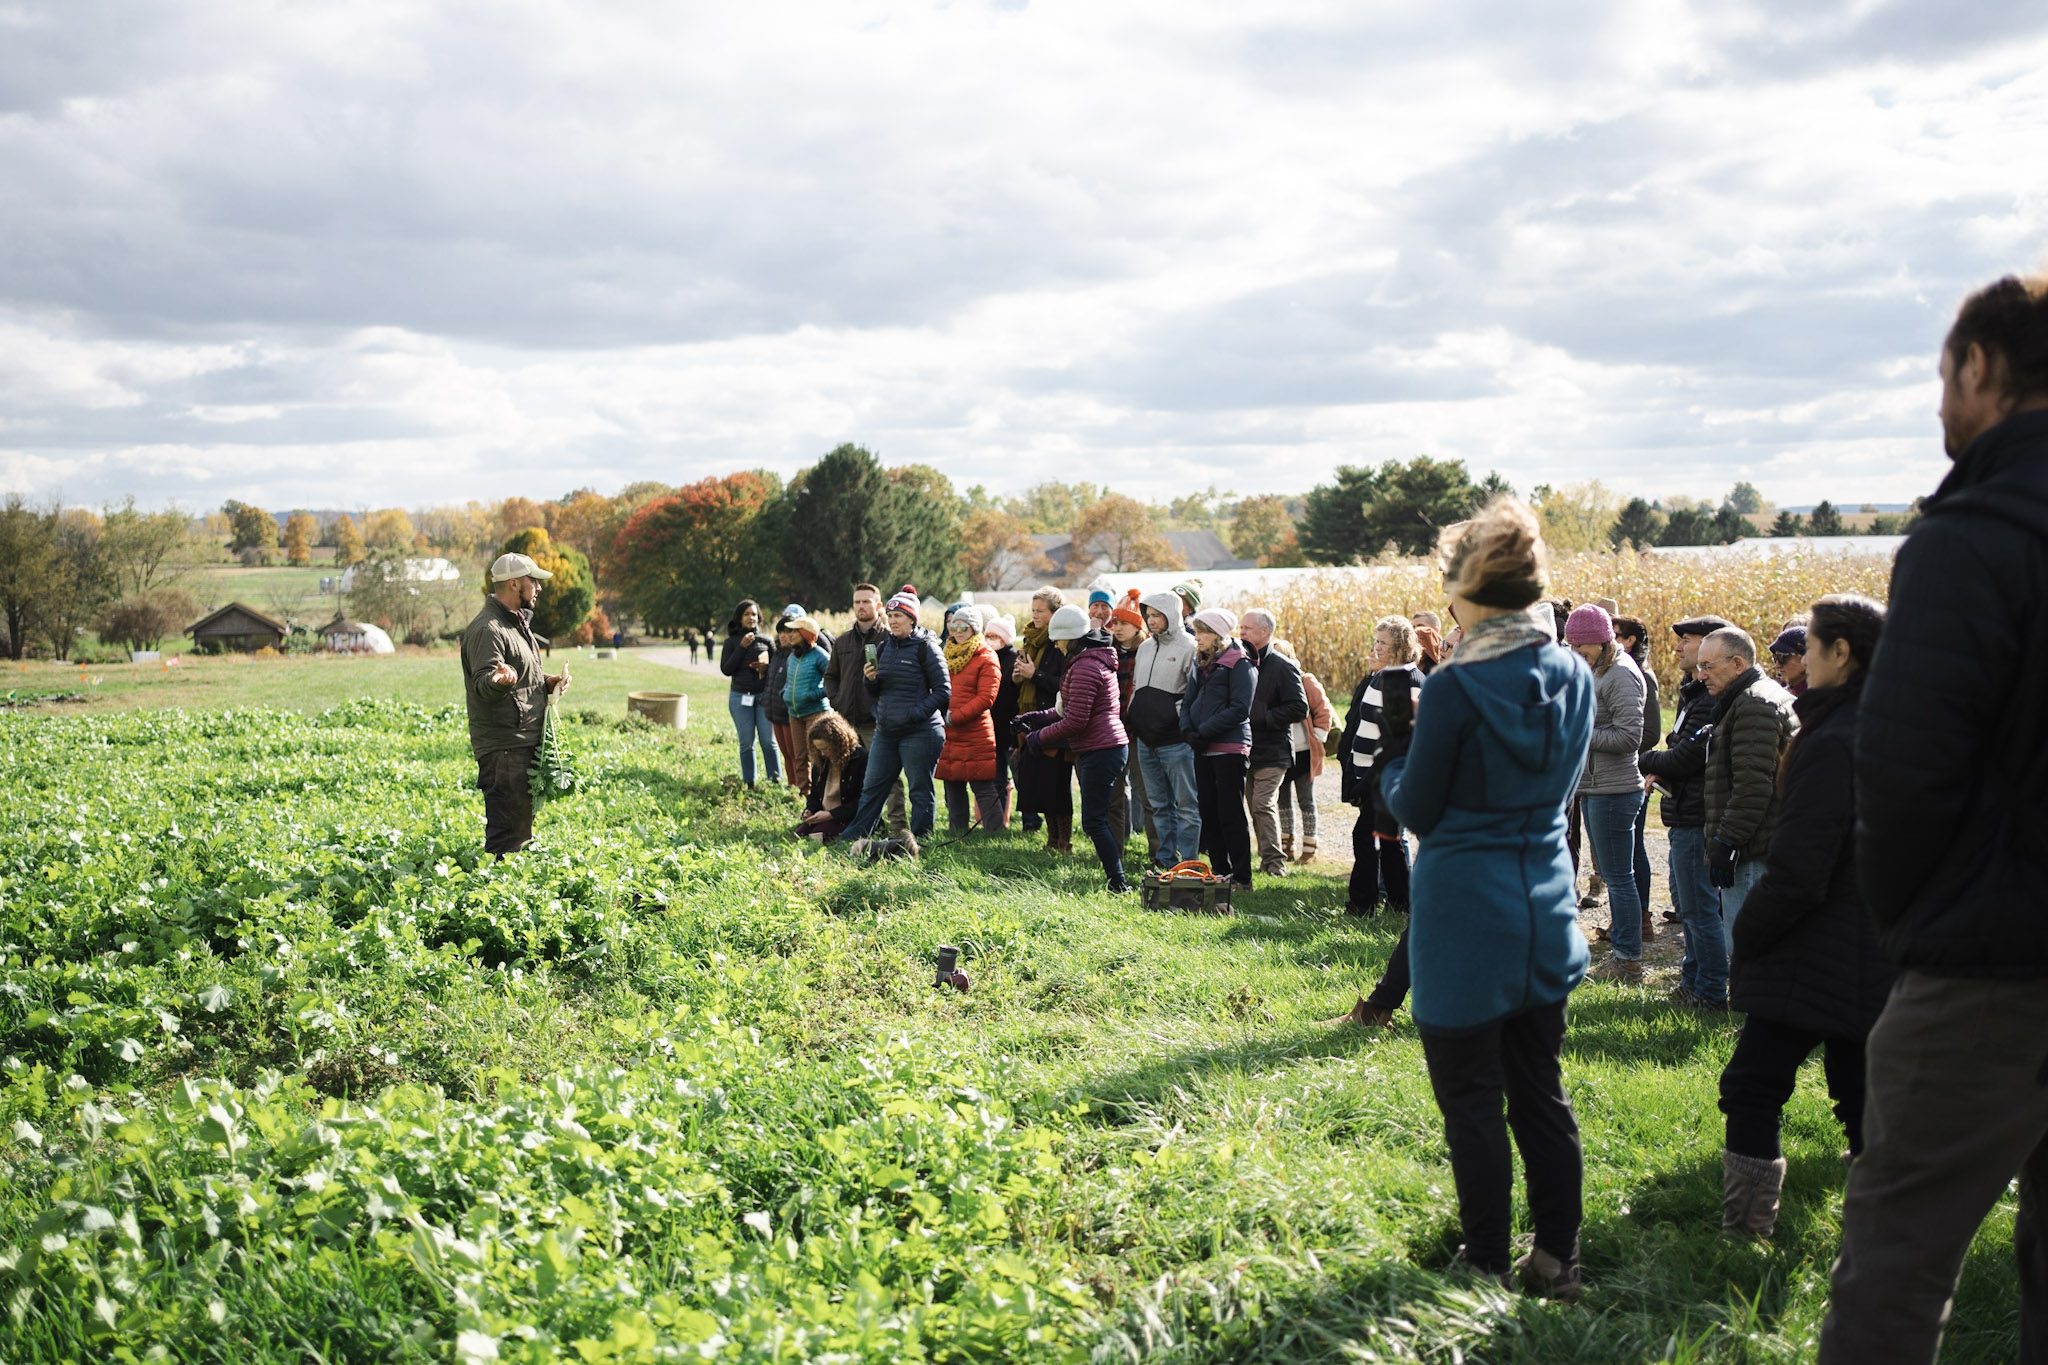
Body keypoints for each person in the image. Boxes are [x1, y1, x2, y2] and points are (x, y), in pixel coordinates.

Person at [1820, 275, 2048, 1365]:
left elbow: (1903, 766)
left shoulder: (1970, 536)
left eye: (1939, 375)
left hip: (1989, 962)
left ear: (1979, 368)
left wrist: (1913, 926)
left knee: (1897, 1254)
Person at [1379, 498, 1593, 1301]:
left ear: (1466, 592)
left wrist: (1395, 758)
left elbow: (1418, 808)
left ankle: (1485, 1259)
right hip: (1544, 900)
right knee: (1540, 1087)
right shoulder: (1571, 668)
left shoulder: (1460, 688)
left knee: (1471, 1097)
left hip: (1467, 914)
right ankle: (1559, 1257)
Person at [1717, 595, 1894, 1242]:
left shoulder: (1831, 742)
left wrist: (1750, 934)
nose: (1795, 658)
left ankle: (1744, 1229)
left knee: (1752, 1084)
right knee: (1858, 1085)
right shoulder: (1882, 724)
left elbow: (1799, 871)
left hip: (1811, 941)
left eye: (1810, 645)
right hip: (1865, 944)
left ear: (1841, 651)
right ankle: (1886, 1212)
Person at [1640, 614, 1734, 1010]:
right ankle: (1692, 982)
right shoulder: (1695, 692)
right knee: (1691, 909)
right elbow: (1679, 745)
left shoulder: (1710, 698)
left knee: (1698, 909)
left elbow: (1687, 754)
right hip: (1685, 811)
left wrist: (1646, 758)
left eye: (1687, 640)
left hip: (1698, 815)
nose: (1678, 647)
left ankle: (1709, 991)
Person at [460, 552, 572, 856]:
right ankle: (494, 896)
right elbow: (484, 682)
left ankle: (506, 891)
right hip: (505, 748)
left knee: (519, 830)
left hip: (519, 743)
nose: (539, 587)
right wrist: (500, 682)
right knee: (507, 838)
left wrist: (546, 683)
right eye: (533, 581)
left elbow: (520, 676)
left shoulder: (514, 624)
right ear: (513, 583)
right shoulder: (489, 629)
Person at [1017, 605, 1132, 892]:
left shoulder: (1085, 665)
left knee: (1094, 820)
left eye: (1058, 640)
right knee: (1096, 819)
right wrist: (1036, 719)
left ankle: (1118, 882)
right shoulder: (1083, 660)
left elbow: (1076, 721)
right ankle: (1116, 878)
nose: (1055, 645)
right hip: (1100, 746)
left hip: (1102, 748)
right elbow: (1065, 709)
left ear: (1069, 637)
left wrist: (1039, 738)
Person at [1564, 605, 1650, 982]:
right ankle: (1623, 952)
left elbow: (1630, 736)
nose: (1575, 651)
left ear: (1601, 640)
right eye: (1571, 644)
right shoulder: (1597, 668)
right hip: (1595, 785)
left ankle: (1628, 959)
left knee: (1618, 877)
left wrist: (1578, 732)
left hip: (1615, 789)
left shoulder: (1622, 675)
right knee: (1617, 874)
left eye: (1580, 644)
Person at [1696, 625, 1798, 934]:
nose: (1701, 675)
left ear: (1737, 664)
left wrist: (1727, 842)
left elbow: (1753, 786)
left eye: (1707, 666)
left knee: (1747, 955)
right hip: (1756, 846)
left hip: (1753, 853)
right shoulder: (1748, 698)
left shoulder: (1754, 704)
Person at [837, 585, 949, 847]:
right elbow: (877, 690)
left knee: (919, 789)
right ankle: (853, 837)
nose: (892, 620)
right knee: (872, 787)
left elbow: (943, 692)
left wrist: (914, 714)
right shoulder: (885, 647)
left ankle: (921, 840)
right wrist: (870, 680)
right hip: (886, 731)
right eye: (890, 615)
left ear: (912, 618)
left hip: (920, 732)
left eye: (898, 615)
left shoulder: (927, 648)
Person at [1338, 616, 1426, 917]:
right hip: (1367, 773)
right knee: (1386, 841)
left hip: (1385, 775)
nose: (1376, 647)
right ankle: (1401, 903)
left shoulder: (1407, 681)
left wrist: (1370, 780)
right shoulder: (1381, 675)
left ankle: (1361, 906)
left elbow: (1398, 742)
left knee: (1366, 838)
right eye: (1375, 641)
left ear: (1401, 647)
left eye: (1383, 643)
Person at [825, 584, 907, 839]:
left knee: (888, 776)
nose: (861, 606)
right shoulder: (843, 641)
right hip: (848, 721)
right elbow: (830, 676)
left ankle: (898, 827)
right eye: (857, 602)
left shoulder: (889, 639)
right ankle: (864, 825)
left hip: (878, 722)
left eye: (867, 601)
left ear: (879, 606)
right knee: (854, 777)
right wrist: (837, 699)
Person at [1182, 608, 1257, 887]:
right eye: (1195, 630)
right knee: (1209, 813)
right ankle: (1218, 872)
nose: (1196, 637)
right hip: (1202, 745)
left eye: (1201, 632)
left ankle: (1241, 876)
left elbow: (1240, 708)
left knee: (1230, 813)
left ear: (1217, 635)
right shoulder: (1199, 660)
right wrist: (1188, 730)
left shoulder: (1240, 662)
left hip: (1229, 746)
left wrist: (1203, 731)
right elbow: (1188, 700)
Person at [1129, 590, 1201, 867]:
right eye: (1148, 616)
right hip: (1145, 740)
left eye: (1157, 615)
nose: (1152, 621)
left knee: (1186, 805)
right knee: (1159, 805)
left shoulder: (1190, 647)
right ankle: (1165, 860)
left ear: (1172, 615)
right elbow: (1137, 687)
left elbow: (1194, 694)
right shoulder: (1145, 647)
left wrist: (1175, 717)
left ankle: (1190, 862)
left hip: (1176, 742)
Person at [1240, 607, 1309, 878]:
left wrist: (1264, 716)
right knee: (1252, 806)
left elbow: (1299, 708)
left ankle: (1275, 863)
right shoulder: (1240, 661)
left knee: (1261, 804)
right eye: (1241, 628)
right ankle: (1265, 860)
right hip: (1246, 748)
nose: (1241, 632)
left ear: (1265, 632)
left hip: (1274, 750)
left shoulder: (1284, 666)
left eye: (1247, 628)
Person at [1013, 586, 1073, 849]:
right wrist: (1018, 676)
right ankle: (1051, 838)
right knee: (1042, 784)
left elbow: (1066, 685)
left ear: (1055, 613)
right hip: (1034, 719)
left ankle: (1064, 840)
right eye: (1033, 610)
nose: (1035, 616)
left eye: (1041, 611)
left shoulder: (1063, 643)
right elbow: (1025, 677)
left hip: (1056, 720)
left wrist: (1034, 675)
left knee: (1058, 785)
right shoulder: (1030, 639)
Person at [937, 607, 1004, 834]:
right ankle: (958, 831)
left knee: (982, 784)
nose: (958, 630)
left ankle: (994, 832)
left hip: (974, 730)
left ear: (974, 628)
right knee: (953, 782)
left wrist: (956, 717)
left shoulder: (986, 656)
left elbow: (986, 697)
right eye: (954, 625)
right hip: (948, 729)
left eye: (964, 626)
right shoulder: (945, 653)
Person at [1613, 616, 1660, 926]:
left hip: (1634, 771)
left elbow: (1652, 732)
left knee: (1634, 845)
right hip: (1617, 770)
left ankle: (1640, 917)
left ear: (1630, 640)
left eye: (1616, 635)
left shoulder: (1642, 675)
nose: (1610, 639)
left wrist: (1620, 742)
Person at [1270, 638, 1333, 864]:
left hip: (1305, 751)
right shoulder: (1269, 682)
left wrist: (1318, 737)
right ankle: (1286, 845)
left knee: (1306, 800)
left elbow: (1323, 710)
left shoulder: (1305, 680)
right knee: (1282, 800)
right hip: (1283, 751)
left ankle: (1310, 847)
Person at [1105, 589, 1158, 859]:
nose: (1117, 628)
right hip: (1114, 732)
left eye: (1124, 623)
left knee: (1148, 794)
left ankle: (1157, 854)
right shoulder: (1108, 653)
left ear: (1137, 625)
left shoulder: (1148, 651)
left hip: (1139, 732)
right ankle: (1114, 851)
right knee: (1114, 795)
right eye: (1114, 622)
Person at [719, 599, 779, 787]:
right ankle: (749, 782)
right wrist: (742, 646)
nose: (751, 618)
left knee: (768, 741)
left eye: (754, 614)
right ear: (739, 618)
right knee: (746, 742)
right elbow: (727, 669)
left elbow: (778, 669)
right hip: (740, 698)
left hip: (763, 697)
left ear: (759, 617)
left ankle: (775, 780)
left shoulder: (767, 640)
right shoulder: (731, 642)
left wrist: (767, 667)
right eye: (747, 614)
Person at [794, 712, 867, 843]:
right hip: (824, 813)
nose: (822, 753)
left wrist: (832, 815)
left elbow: (862, 800)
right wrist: (810, 809)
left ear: (839, 744)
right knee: (799, 834)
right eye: (819, 749)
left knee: (817, 836)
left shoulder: (860, 758)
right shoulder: (821, 760)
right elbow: (815, 794)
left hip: (847, 816)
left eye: (826, 749)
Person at [783, 614, 832, 787]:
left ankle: (822, 793)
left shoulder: (820, 656)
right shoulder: (792, 656)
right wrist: (785, 693)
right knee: (800, 755)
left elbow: (834, 681)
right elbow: (789, 681)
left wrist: (812, 695)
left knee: (818, 756)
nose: (790, 635)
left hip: (816, 713)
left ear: (805, 634)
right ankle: (805, 793)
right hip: (794, 714)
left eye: (795, 631)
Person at [984, 611, 1020, 831]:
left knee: (1021, 778)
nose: (990, 639)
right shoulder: (988, 658)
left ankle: (1031, 821)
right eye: (987, 635)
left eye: (994, 635)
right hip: (993, 730)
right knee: (997, 779)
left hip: (1013, 730)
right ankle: (1000, 822)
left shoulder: (1014, 659)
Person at [762, 607, 802, 793]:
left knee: (796, 754)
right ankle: (791, 785)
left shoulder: (797, 655)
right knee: (786, 753)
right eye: (781, 631)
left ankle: (801, 789)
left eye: (788, 631)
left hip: (789, 713)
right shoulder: (776, 654)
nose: (784, 635)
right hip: (774, 712)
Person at [1767, 619, 1808, 695]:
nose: (1777, 665)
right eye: (1775, 658)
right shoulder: (1779, 695)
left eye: (1782, 657)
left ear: (1805, 658)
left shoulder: (1824, 697)